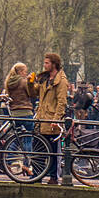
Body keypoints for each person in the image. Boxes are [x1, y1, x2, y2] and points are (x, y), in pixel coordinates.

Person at [34, 52, 69, 184]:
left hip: (51, 120)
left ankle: (53, 177)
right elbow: (34, 93)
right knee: (38, 148)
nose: (45, 65)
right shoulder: (44, 79)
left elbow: (62, 102)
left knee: (53, 151)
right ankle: (37, 175)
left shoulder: (61, 81)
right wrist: (31, 84)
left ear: (54, 64)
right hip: (41, 118)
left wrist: (56, 119)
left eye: (47, 63)